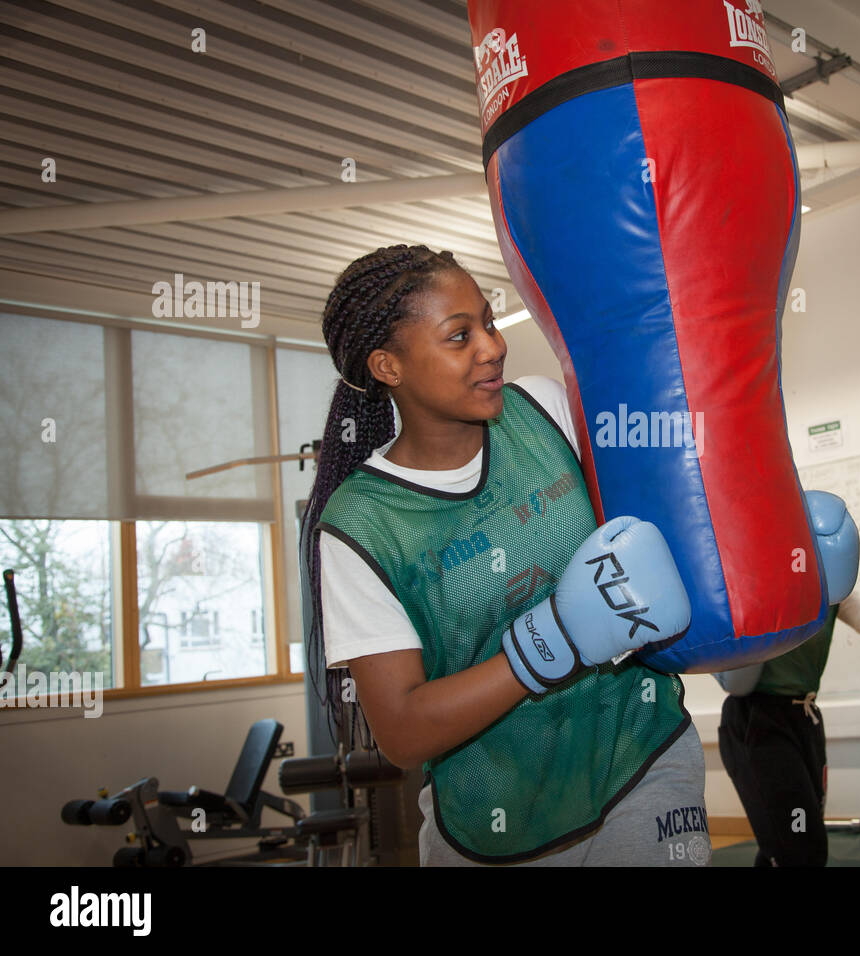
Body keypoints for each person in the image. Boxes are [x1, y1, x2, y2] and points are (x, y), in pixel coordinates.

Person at [298, 245, 710, 867]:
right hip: (497, 823)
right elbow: (404, 732)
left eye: (488, 323)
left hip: (642, 756)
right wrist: (551, 644)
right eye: (459, 336)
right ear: (388, 366)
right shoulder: (360, 527)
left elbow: (653, 528)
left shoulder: (543, 410)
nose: (492, 347)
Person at [713, 491, 860, 867]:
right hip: (757, 720)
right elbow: (738, 684)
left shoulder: (833, 583)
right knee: (799, 849)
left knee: (789, 847)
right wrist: (764, 600)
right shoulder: (757, 578)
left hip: (805, 717)